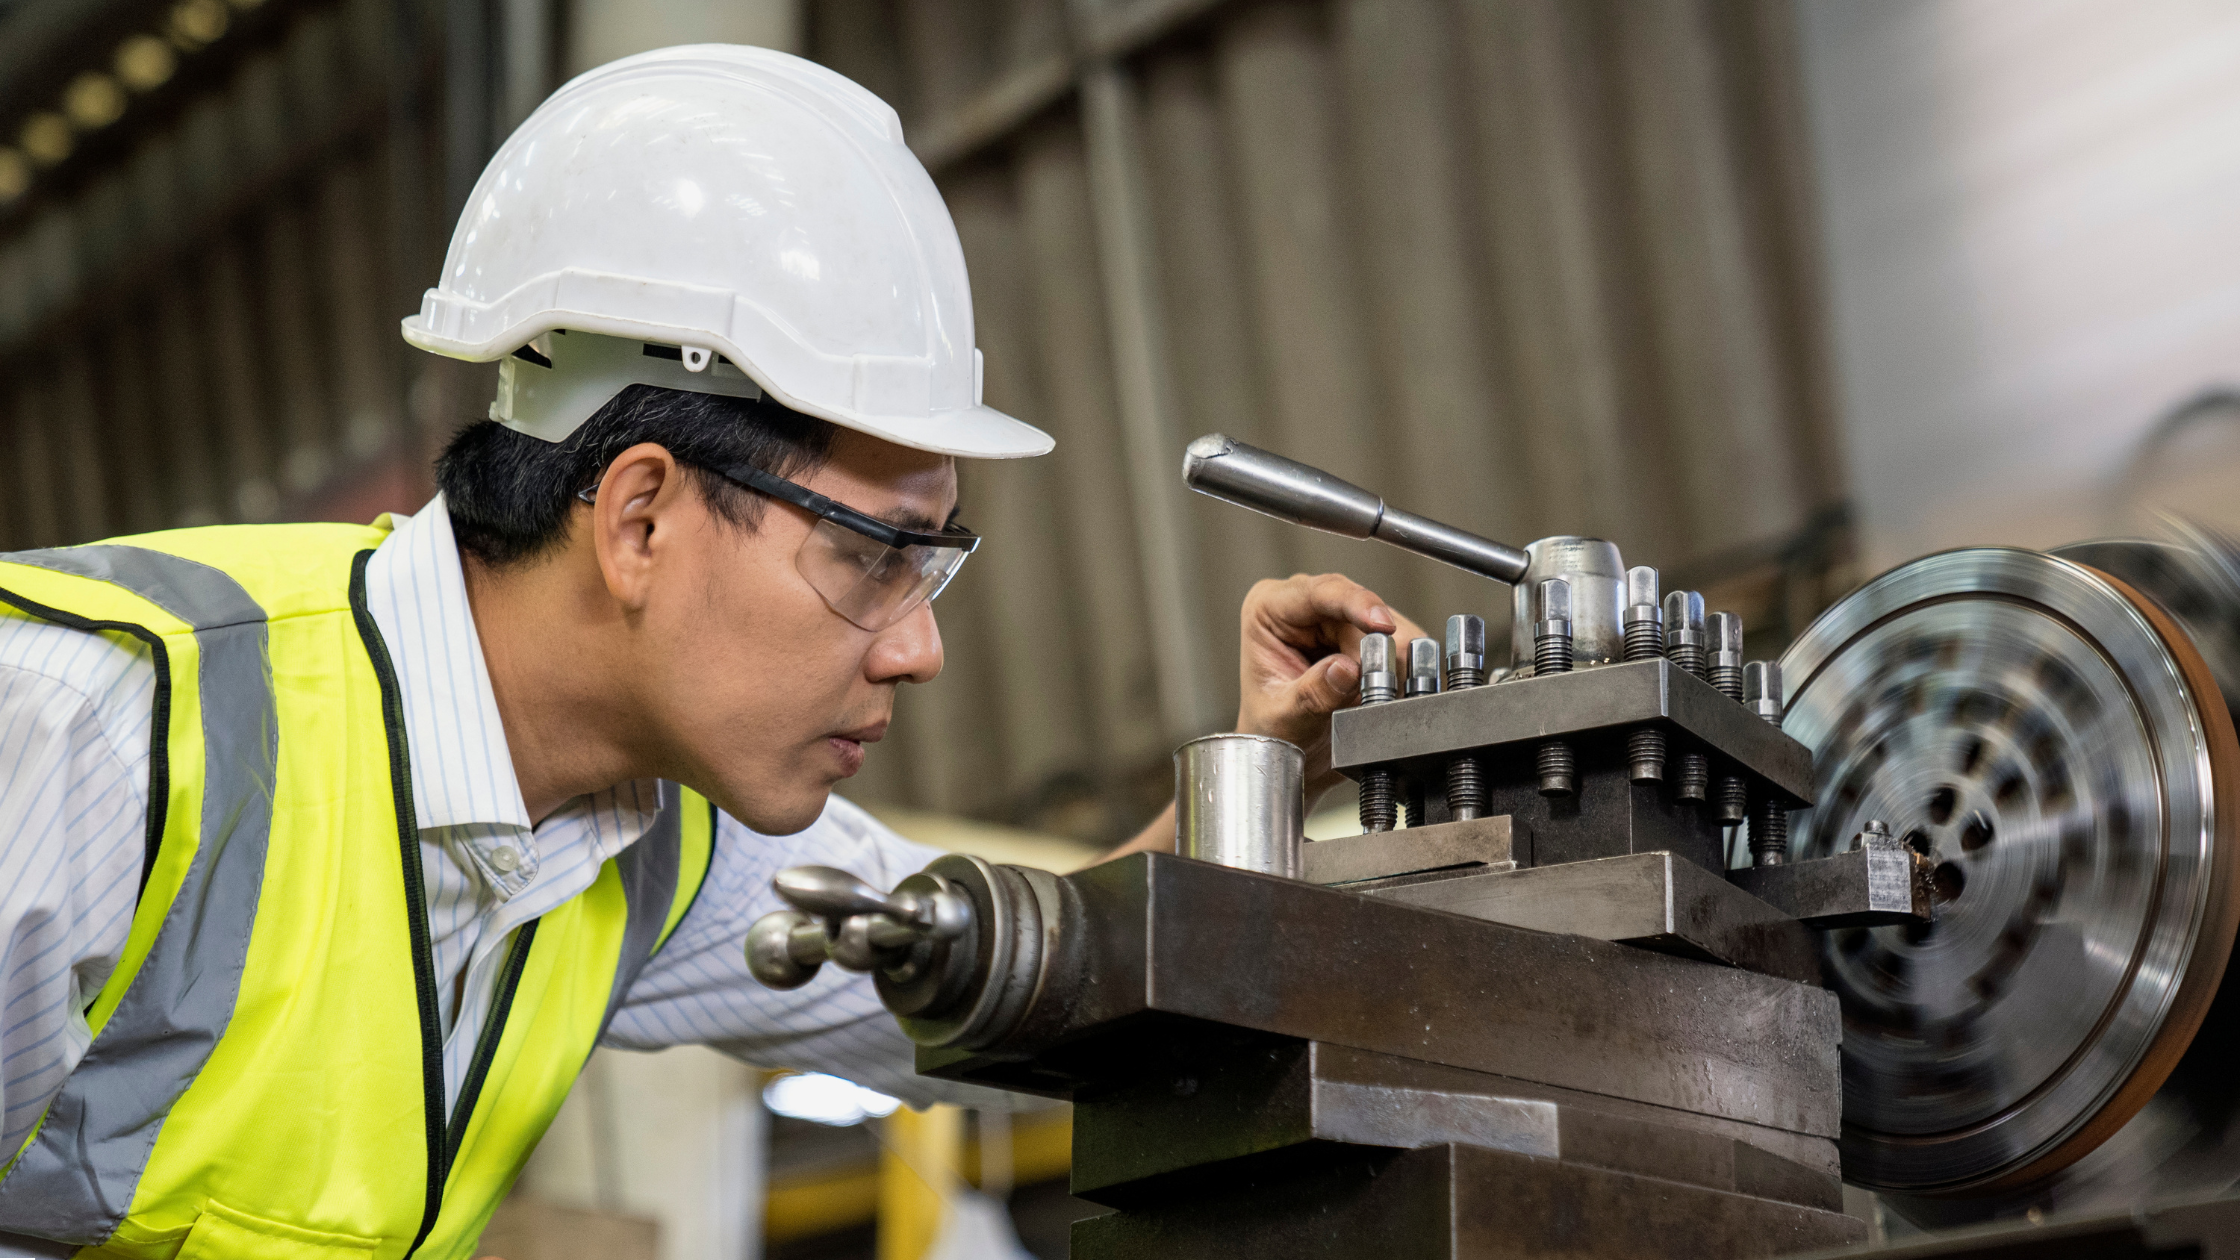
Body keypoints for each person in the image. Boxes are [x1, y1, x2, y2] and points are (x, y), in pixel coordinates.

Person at [0, 45, 1421, 1259]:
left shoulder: (651, 847)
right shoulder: (99, 728)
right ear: (637, 519)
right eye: (874, 558)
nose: (920, 651)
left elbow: (1038, 1002)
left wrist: (1256, 773)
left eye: (935, 566)